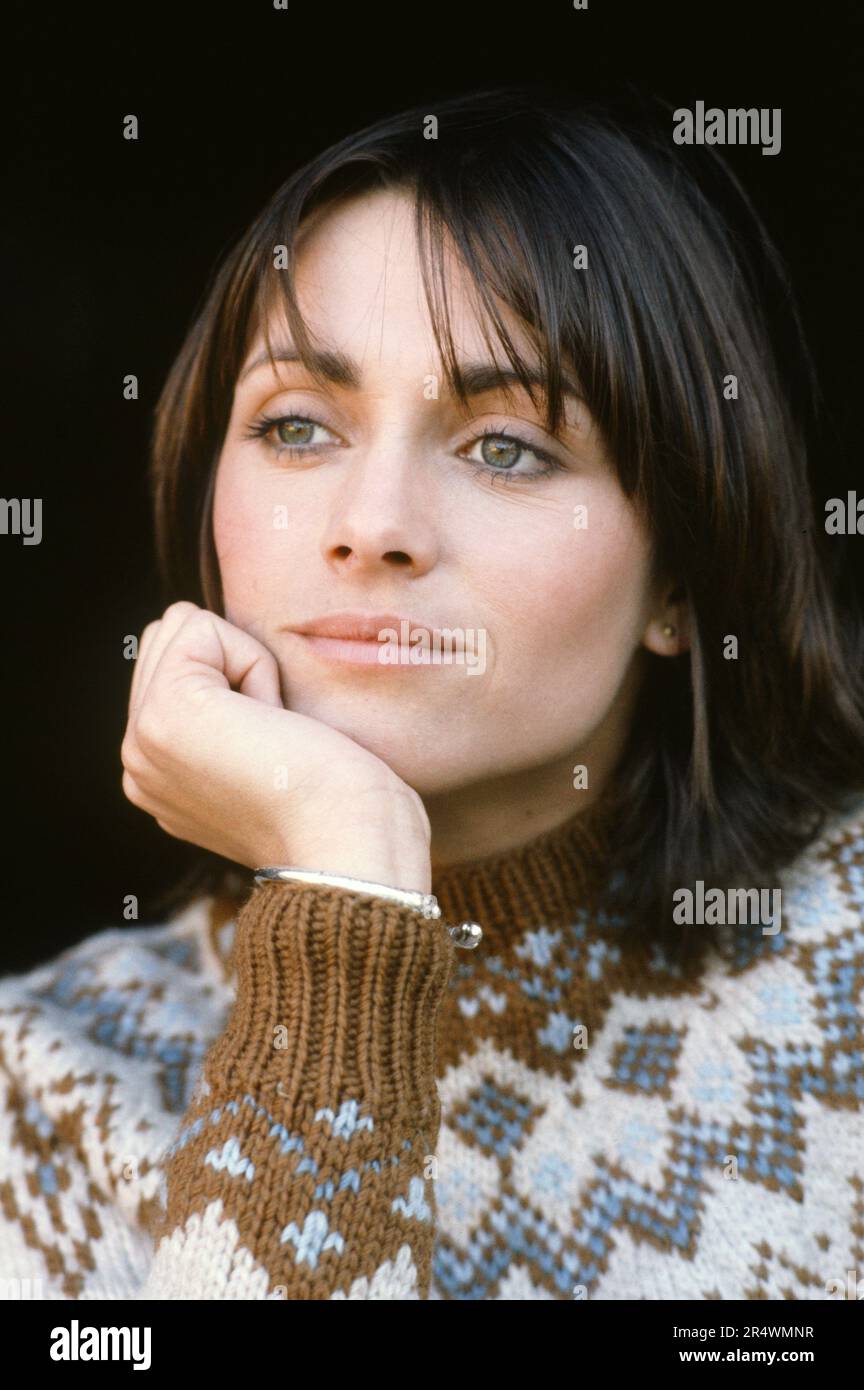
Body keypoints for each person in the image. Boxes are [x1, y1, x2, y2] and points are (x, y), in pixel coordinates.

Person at [1, 86, 863, 1302]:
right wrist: (346, 884)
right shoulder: (44, 1088)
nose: (373, 526)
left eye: (506, 446)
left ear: (682, 577)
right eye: (299, 428)